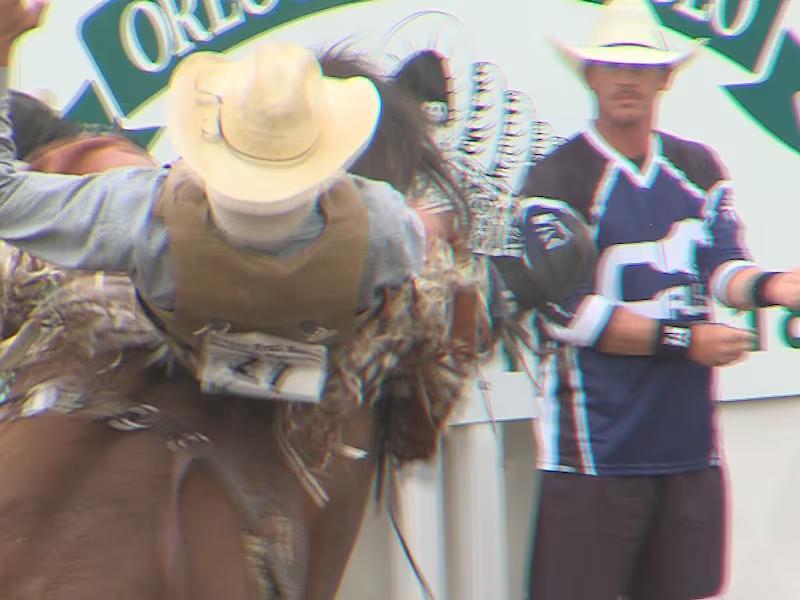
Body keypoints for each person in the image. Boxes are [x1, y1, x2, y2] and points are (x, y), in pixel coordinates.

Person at [0, 0, 429, 402]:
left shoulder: (145, 217)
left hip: (183, 347)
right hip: (326, 367)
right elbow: (414, 263)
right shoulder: (385, 227)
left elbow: (7, 199)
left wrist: (2, 44)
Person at [517, 1, 800, 598]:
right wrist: (684, 340)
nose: (626, 79)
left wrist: (773, 286)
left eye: (641, 68)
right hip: (594, 454)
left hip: (688, 448)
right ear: (589, 76)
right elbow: (566, 312)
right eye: (612, 67)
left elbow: (723, 267)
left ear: (665, 79)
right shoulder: (555, 179)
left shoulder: (697, 166)